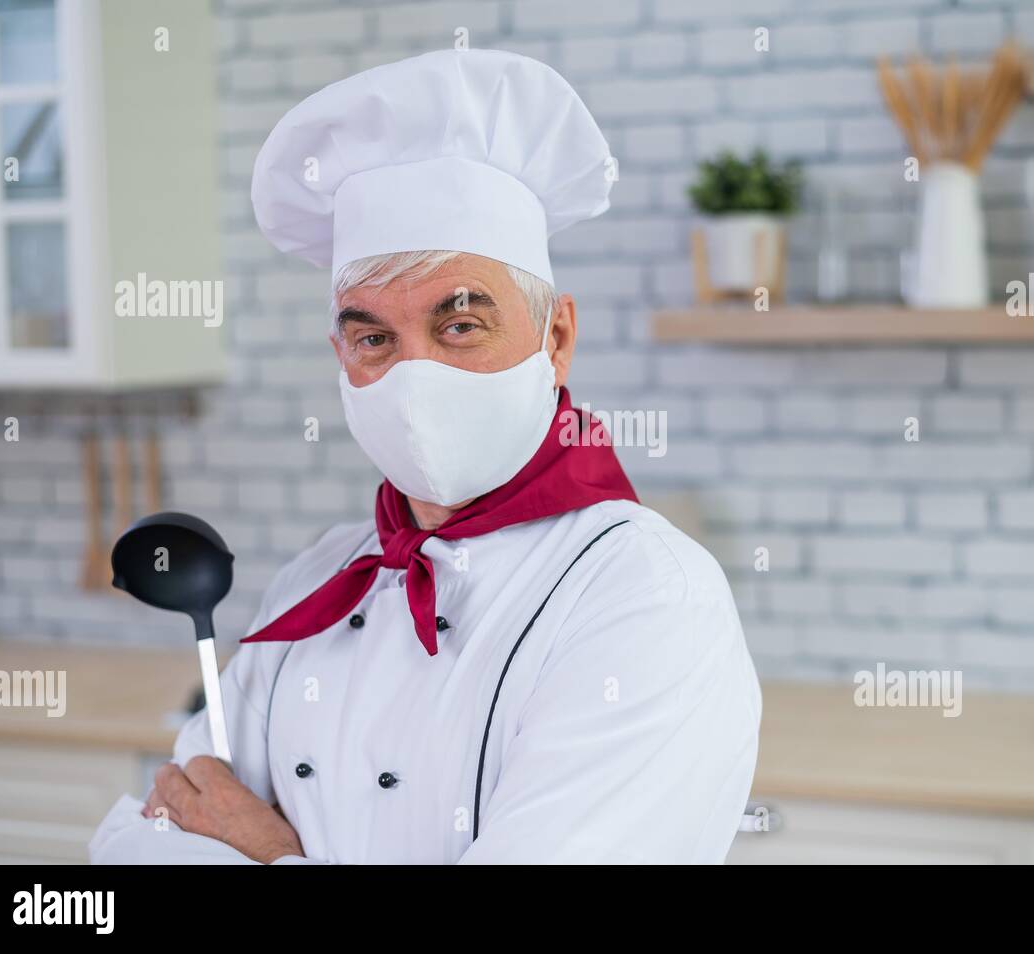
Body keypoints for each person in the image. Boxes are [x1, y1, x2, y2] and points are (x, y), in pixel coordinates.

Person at [89, 49, 761, 865]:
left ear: (555, 339)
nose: (414, 377)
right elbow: (149, 837)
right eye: (374, 337)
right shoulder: (319, 579)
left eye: (460, 325)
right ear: (340, 354)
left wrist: (268, 851)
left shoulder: (648, 598)